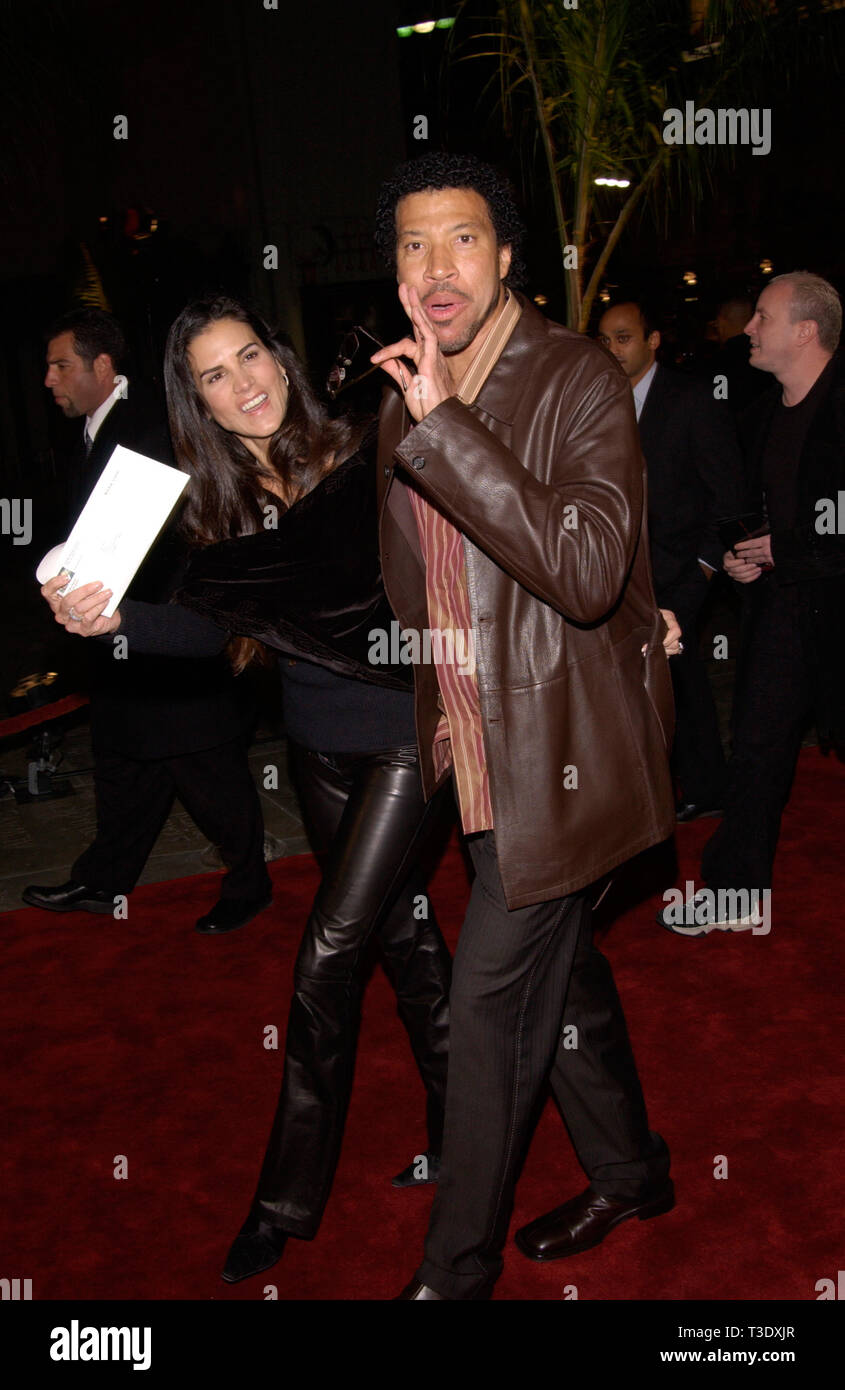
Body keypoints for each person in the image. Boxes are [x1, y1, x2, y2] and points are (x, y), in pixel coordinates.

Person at [42, 295, 453, 1280]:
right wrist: (112, 625)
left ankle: (281, 1201)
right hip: (315, 748)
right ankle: (459, 1126)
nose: (244, 382)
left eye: (250, 355)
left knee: (326, 956)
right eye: (215, 375)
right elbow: (197, 628)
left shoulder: (365, 441)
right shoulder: (210, 507)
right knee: (404, 940)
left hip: (406, 733)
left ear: (280, 355)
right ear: (198, 402)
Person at [369, 152, 677, 1300]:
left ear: (504, 257)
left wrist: (446, 427)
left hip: (562, 760)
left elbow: (589, 570)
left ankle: (452, 1273)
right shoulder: (403, 390)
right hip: (476, 754)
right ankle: (630, 1169)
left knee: (486, 1013)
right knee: (565, 981)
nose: (434, 267)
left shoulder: (576, 377)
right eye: (411, 244)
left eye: (458, 239)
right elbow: (397, 581)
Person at [26, 308, 271, 935]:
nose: (49, 379)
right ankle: (103, 879)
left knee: (206, 771)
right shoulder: (92, 430)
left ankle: (251, 882)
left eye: (61, 365)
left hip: (171, 633)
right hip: (121, 638)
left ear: (103, 367)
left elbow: (179, 532)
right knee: (126, 762)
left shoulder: (151, 425)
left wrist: (126, 611)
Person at [659, 270, 845, 936]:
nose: (746, 329)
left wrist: (781, 549)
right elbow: (758, 514)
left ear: (805, 329)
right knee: (757, 753)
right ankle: (735, 894)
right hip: (781, 615)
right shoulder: (763, 413)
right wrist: (746, 554)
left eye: (762, 317)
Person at [598, 299, 740, 820]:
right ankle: (662, 786)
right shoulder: (599, 402)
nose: (612, 349)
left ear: (652, 340)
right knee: (645, 682)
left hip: (682, 570)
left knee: (681, 676)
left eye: (624, 338)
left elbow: (726, 488)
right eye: (606, 339)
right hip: (621, 572)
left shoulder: (691, 398)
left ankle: (705, 786)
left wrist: (707, 564)